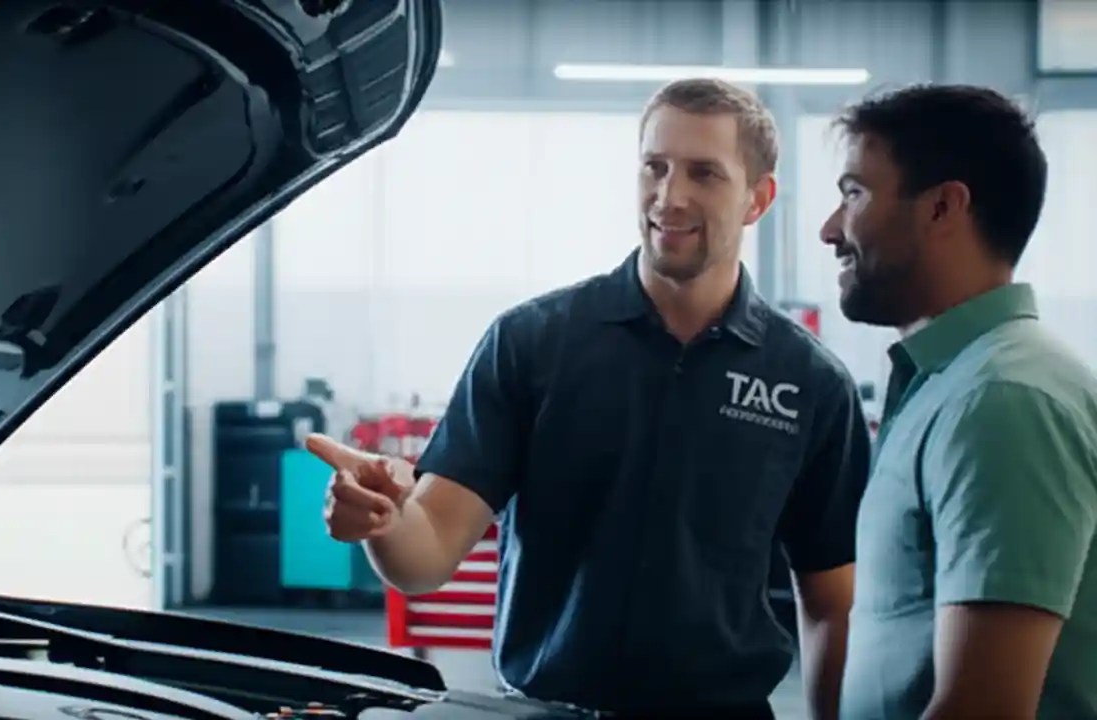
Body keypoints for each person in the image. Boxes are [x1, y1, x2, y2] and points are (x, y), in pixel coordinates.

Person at [308, 78, 871, 719]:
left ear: (757, 199)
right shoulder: (531, 344)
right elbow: (428, 551)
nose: (670, 196)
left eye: (704, 173)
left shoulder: (809, 385)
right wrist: (383, 522)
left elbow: (834, 603)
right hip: (545, 712)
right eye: (655, 167)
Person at [822, 83, 1097, 720]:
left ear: (943, 207)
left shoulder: (1003, 401)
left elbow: (983, 709)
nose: (830, 229)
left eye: (854, 194)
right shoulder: (954, 385)